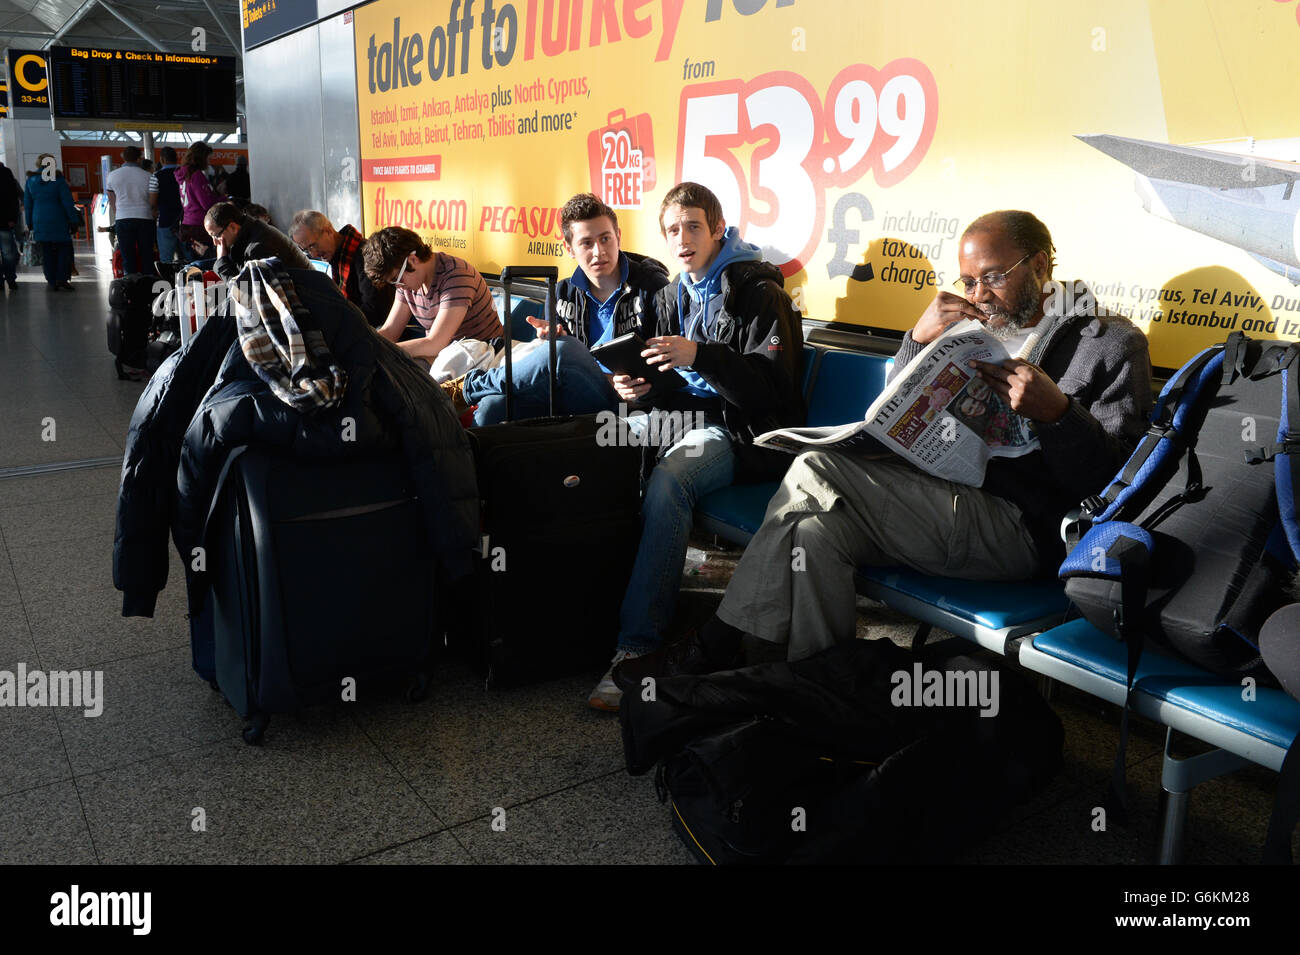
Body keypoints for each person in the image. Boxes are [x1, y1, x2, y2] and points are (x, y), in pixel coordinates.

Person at [617, 210, 1154, 683]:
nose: (980, 295)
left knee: (814, 468)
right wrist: (916, 343)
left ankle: (713, 645)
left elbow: (1108, 483)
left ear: (1040, 266)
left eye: (993, 277)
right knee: (813, 533)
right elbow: (896, 412)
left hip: (1017, 528)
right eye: (968, 280)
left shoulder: (1107, 344)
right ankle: (815, 692)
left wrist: (1059, 415)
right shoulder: (967, 328)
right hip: (931, 504)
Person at [588, 181, 806, 711]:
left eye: (692, 227)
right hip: (679, 418)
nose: (682, 239)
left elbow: (771, 391)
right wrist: (637, 386)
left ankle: (638, 643)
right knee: (596, 453)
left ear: (716, 230)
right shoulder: (669, 295)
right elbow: (664, 375)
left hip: (742, 430)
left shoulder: (760, 292)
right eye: (672, 230)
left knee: (670, 481)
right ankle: (591, 613)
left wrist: (702, 356)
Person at [445, 192, 669, 425]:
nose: (598, 251)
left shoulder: (652, 286)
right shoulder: (561, 293)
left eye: (605, 239)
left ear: (618, 237)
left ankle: (466, 388)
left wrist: (633, 386)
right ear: (569, 248)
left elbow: (670, 367)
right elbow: (560, 366)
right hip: (573, 392)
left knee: (562, 350)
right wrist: (547, 341)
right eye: (586, 243)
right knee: (492, 409)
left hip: (627, 404)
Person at [362, 227, 501, 361]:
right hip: (447, 357)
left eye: (395, 279)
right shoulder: (407, 281)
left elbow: (435, 343)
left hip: (483, 355)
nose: (397, 286)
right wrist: (363, 347)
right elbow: (390, 331)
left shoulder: (456, 275)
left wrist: (381, 352)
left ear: (413, 260)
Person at [288, 209, 394, 327]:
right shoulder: (337, 256)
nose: (314, 255)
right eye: (307, 250)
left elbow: (375, 311)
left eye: (313, 245)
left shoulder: (365, 255)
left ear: (328, 231)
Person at [205, 202, 311, 279]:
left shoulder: (257, 247)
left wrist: (222, 263)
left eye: (216, 236)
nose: (215, 242)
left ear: (233, 227)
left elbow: (246, 296)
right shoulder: (249, 232)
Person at [23, 155, 80, 291]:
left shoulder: (31, 181)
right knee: (63, 250)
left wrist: (29, 222)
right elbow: (68, 203)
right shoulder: (59, 180)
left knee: (46, 251)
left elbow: (28, 204)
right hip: (59, 220)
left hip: (39, 220)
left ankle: (51, 281)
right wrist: (73, 220)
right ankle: (62, 279)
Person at [104, 145, 155, 275]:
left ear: (124, 157)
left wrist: (119, 214)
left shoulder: (112, 176)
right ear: (139, 158)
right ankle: (148, 284)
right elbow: (153, 201)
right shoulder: (148, 176)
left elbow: (112, 200)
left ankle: (130, 285)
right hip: (145, 218)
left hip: (123, 218)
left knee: (128, 256)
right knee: (147, 255)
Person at [175, 142, 224, 261]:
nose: (209, 161)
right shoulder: (196, 175)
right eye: (208, 158)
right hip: (200, 227)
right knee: (204, 265)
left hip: (187, 225)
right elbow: (206, 204)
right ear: (201, 157)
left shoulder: (183, 175)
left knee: (191, 267)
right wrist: (222, 199)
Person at [149, 146, 183, 269]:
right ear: (176, 158)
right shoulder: (184, 174)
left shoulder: (156, 176)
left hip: (165, 221)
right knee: (187, 260)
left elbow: (152, 202)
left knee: (166, 261)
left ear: (162, 159)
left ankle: (167, 285)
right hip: (185, 221)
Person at [0, 160, 22, 290]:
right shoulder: (6, 172)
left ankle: (10, 278)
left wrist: (13, 217)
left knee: (8, 253)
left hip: (4, 220)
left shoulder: (5, 172)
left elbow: (13, 197)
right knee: (8, 252)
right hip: (5, 221)